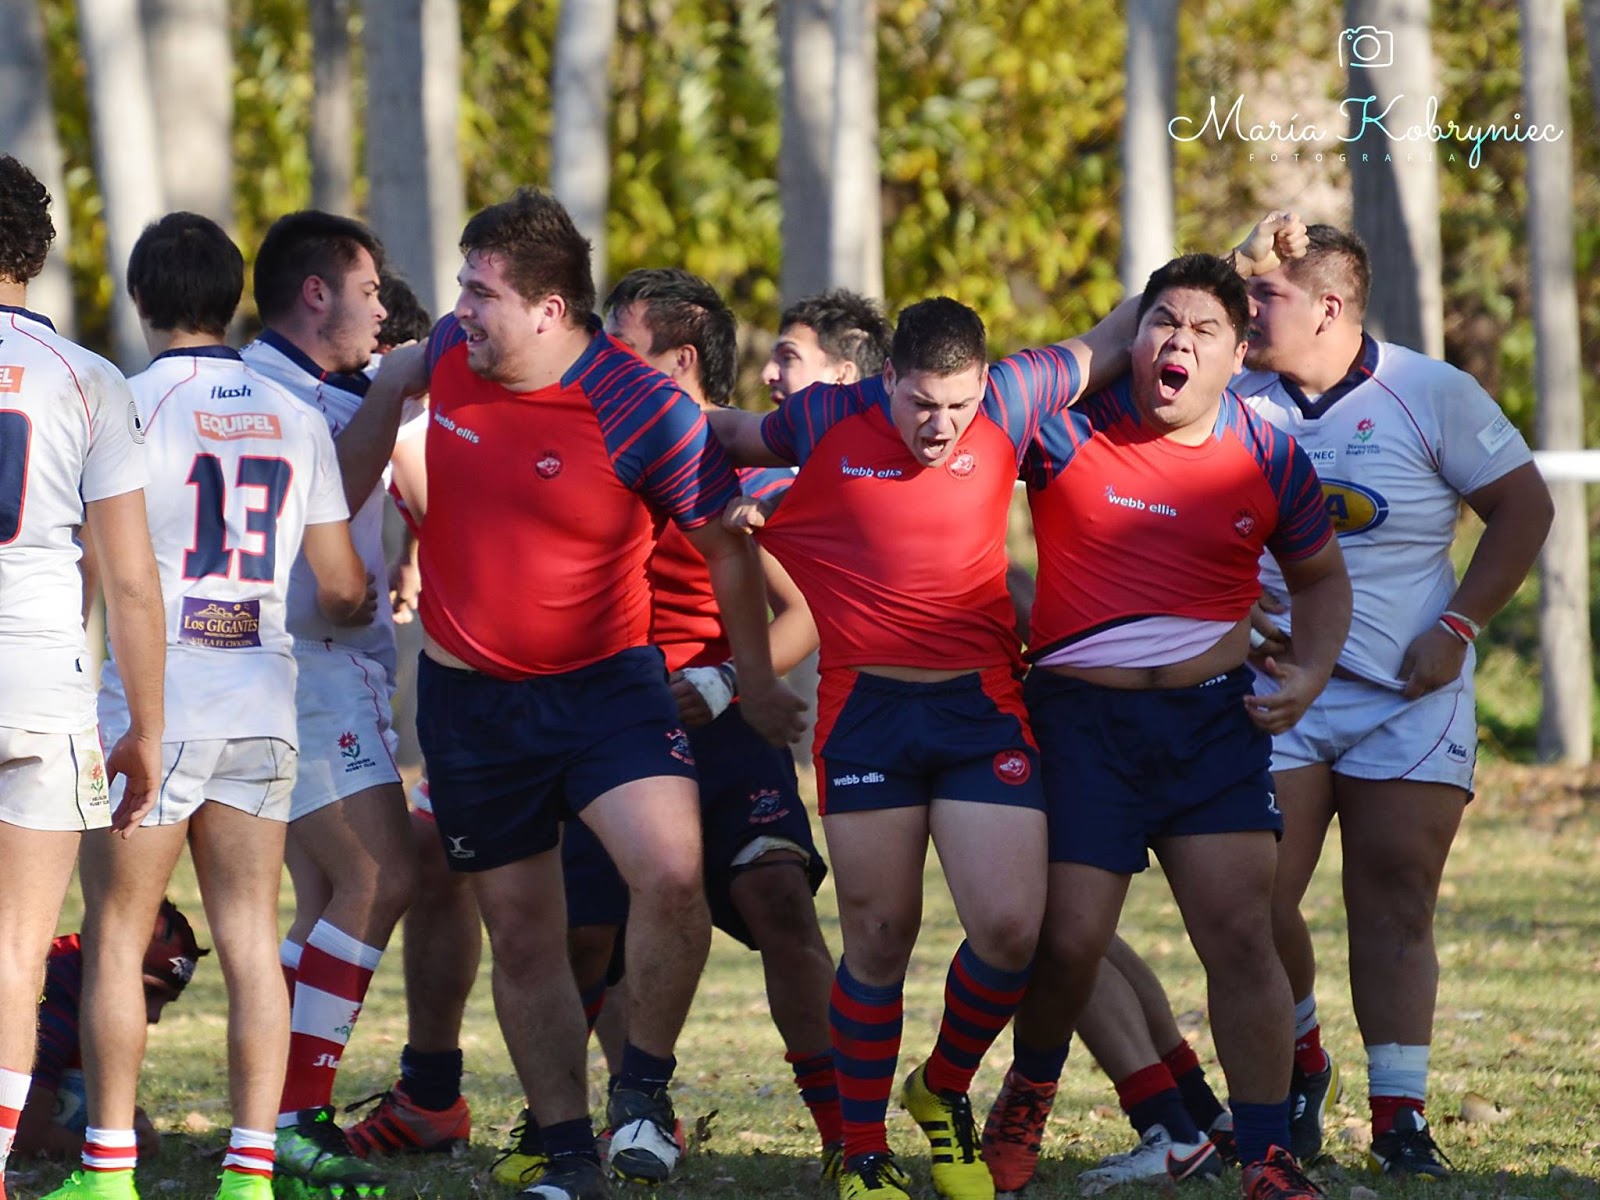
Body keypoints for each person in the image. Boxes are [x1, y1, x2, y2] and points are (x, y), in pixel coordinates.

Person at [364, 187, 805, 1200]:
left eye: (480, 291)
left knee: (673, 872)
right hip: (471, 708)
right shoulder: (444, 362)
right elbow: (398, 457)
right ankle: (568, 1157)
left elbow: (728, 554)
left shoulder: (640, 404)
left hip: (609, 688)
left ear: (550, 310)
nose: (460, 309)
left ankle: (641, 1091)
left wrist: (754, 678)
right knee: (524, 935)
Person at [714, 293, 1134, 1200]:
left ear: (985, 383)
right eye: (919, 404)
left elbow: (1115, 335)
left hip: (981, 708)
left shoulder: (1017, 399)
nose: (940, 425)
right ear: (888, 381)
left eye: (959, 404)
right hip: (866, 712)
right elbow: (722, 434)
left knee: (1013, 930)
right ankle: (863, 1153)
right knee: (878, 934)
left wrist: (1240, 263)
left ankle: (940, 1088)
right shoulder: (828, 412)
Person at [981, 247, 1351, 1200]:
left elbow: (1319, 581)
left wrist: (1307, 676)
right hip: (1080, 725)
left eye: (1205, 331)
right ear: (1135, 337)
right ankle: (1027, 1096)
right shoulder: (1067, 432)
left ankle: (1265, 1155)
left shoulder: (1267, 453)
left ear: (1239, 358)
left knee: (1239, 937)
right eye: (1163, 325)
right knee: (1067, 941)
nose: (1178, 344)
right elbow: (972, 439)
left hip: (1211, 729)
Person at [40, 212, 373, 1200]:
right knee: (247, 940)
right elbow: (344, 588)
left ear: (140, 302)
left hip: (152, 700)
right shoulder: (295, 414)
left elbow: (95, 567)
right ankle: (252, 1173)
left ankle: (107, 1174)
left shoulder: (125, 404)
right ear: (233, 298)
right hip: (261, 700)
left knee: (116, 934)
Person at [1236, 225, 1552, 1175]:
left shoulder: (1431, 393)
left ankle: (1399, 1120)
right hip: (1277, 689)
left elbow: (1525, 507)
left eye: (1265, 297)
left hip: (1406, 697)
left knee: (1396, 899)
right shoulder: (1231, 395)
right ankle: (1300, 1061)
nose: (1245, 313)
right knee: (1255, 900)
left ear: (1328, 308)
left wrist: (1456, 629)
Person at [240, 211, 424, 1197]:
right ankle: (294, 1113)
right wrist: (396, 389)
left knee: (324, 903)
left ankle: (264, 1102)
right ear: (316, 293)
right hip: (297, 666)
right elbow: (321, 519)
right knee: (380, 875)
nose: (381, 311)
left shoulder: (319, 387)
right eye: (367, 291)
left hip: (327, 666)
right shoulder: (269, 392)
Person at [0, 154, 166, 1200]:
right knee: (17, 951)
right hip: (42, 683)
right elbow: (135, 584)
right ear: (36, 251)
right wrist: (145, 727)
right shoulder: (88, 378)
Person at [14, 901, 205, 1161]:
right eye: (148, 991)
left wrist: (123, 1123)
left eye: (165, 1001)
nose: (154, 1015)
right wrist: (111, 1150)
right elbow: (24, 1136)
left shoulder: (81, 979)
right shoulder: (55, 986)